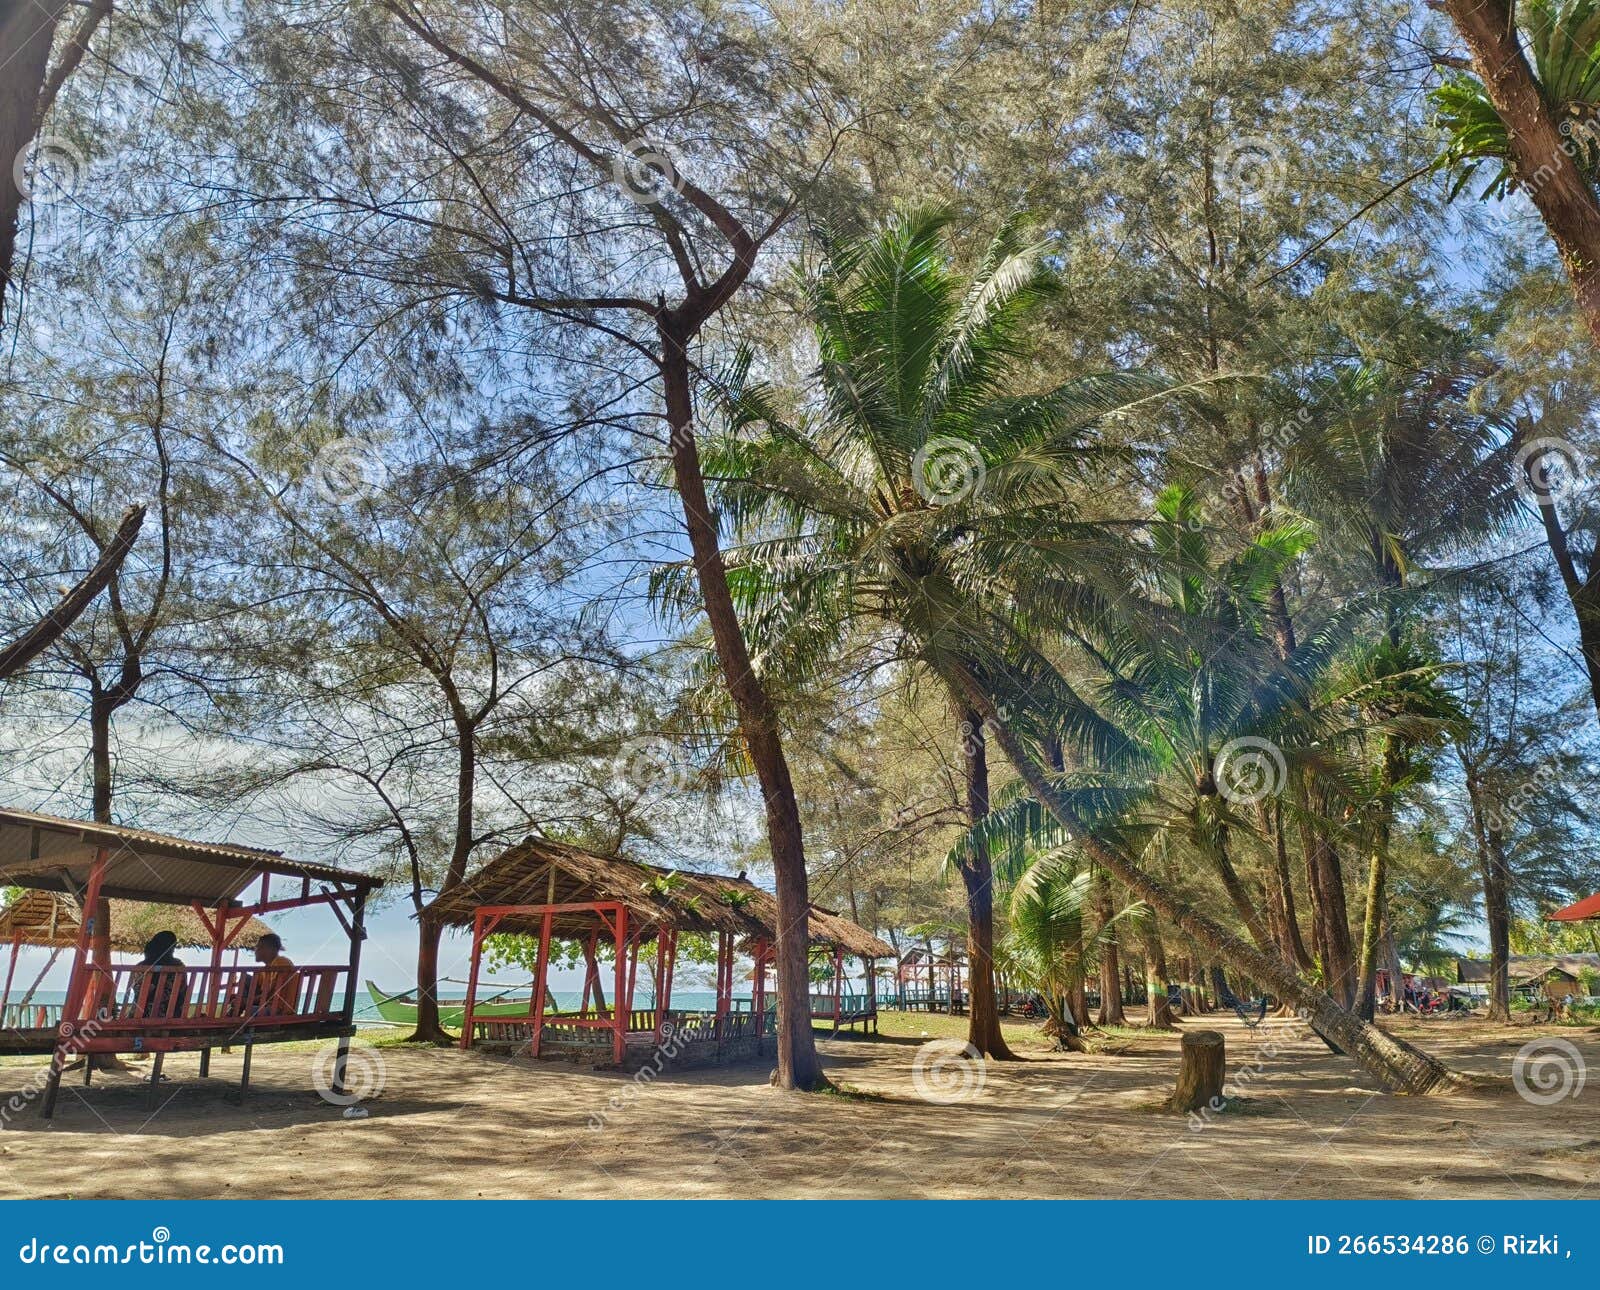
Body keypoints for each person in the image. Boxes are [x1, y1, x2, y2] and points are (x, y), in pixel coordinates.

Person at [127, 931, 188, 1019]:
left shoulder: (140, 967)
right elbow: (183, 990)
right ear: (171, 948)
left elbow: (137, 992)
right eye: (174, 947)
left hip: (141, 1015)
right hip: (172, 1015)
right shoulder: (179, 966)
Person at [250, 933, 299, 1017]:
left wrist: (246, 1001)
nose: (255, 950)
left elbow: (267, 994)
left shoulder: (280, 963)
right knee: (247, 980)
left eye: (258, 947)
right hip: (272, 1007)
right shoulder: (268, 968)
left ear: (270, 949)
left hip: (278, 1010)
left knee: (247, 1010)